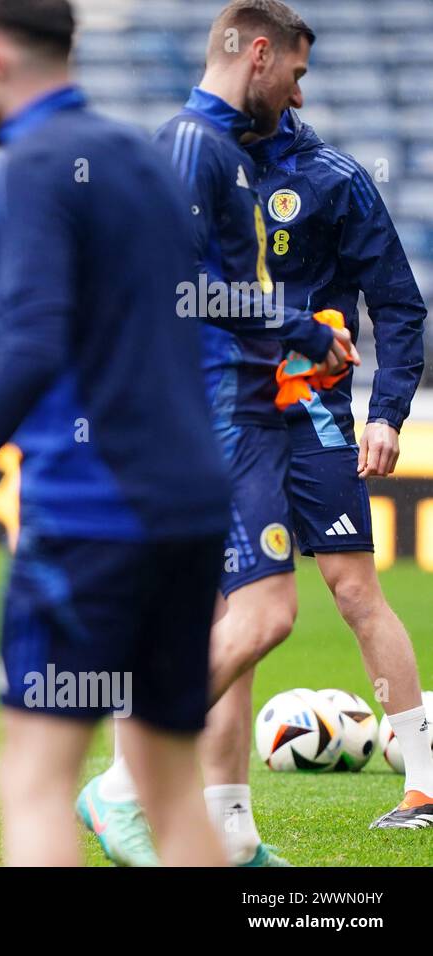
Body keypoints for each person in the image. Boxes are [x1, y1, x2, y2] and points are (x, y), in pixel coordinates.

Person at [0, 0, 231, 867]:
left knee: (37, 777)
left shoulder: (29, 163)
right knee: (168, 781)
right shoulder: (139, 154)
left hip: (95, 512)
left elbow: (37, 344)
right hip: (192, 504)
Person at [78, 0, 358, 867]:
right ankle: (121, 787)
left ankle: (227, 833)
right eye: (298, 74)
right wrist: (308, 331)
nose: (300, 97)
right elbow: (186, 289)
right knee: (268, 612)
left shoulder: (214, 148)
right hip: (217, 405)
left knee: (237, 614)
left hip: (242, 402)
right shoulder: (197, 145)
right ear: (260, 53)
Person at [248, 108, 431, 828]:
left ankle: (422, 783)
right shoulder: (199, 166)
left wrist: (387, 411)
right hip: (224, 414)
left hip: (312, 416)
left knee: (354, 591)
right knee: (221, 601)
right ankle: (199, 798)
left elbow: (398, 307)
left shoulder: (335, 179)